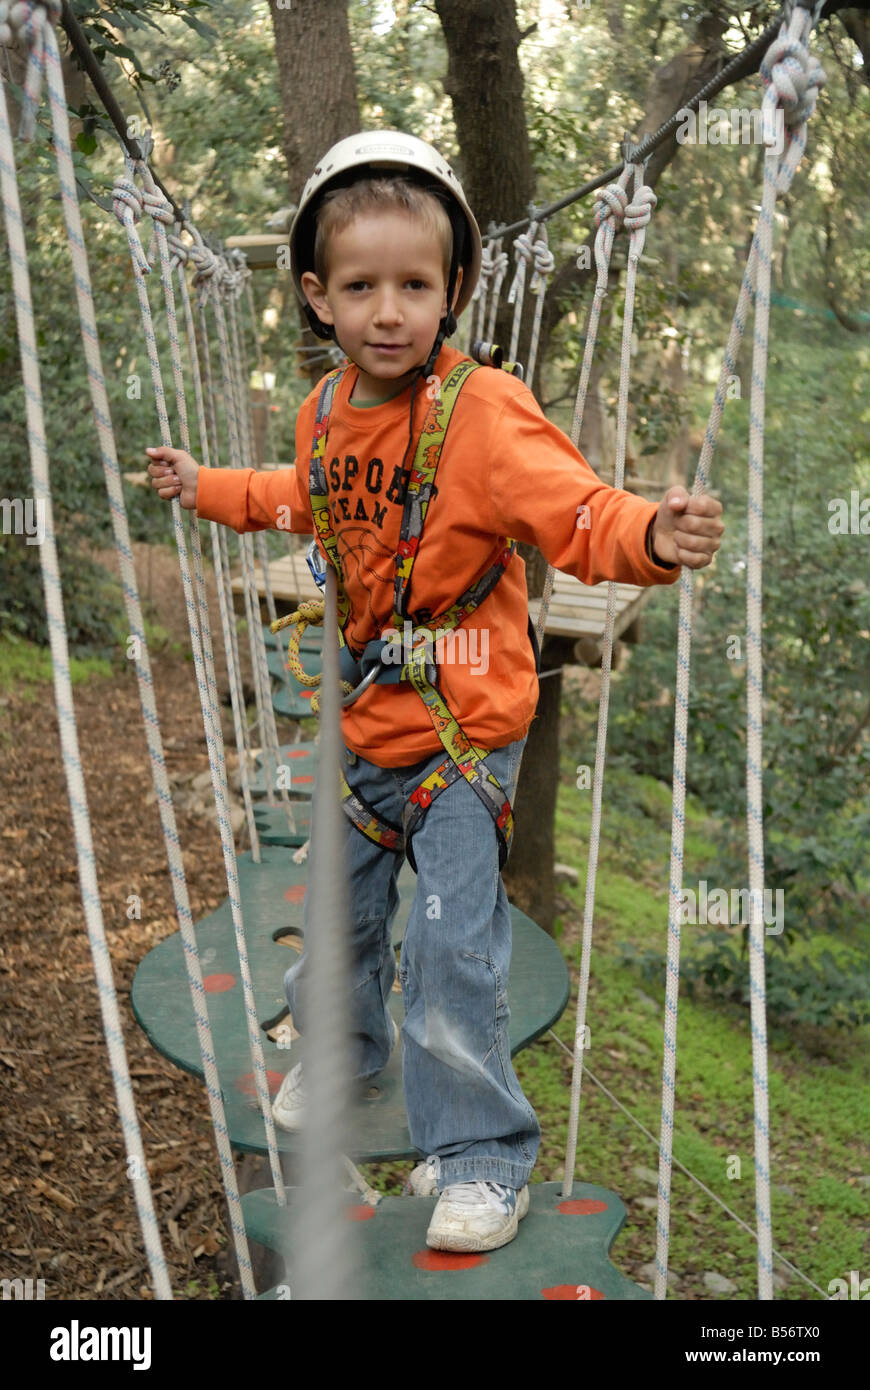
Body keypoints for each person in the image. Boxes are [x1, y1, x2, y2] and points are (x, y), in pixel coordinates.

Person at [146, 130, 724, 1254]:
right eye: (360, 286)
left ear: (454, 289)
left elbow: (578, 510)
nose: (389, 311)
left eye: (415, 284)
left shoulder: (487, 414)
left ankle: (481, 1159)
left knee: (455, 948)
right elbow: (290, 498)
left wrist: (652, 531)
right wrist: (204, 487)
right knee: (340, 921)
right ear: (317, 297)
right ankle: (345, 1052)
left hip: (465, 731)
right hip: (368, 723)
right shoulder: (324, 416)